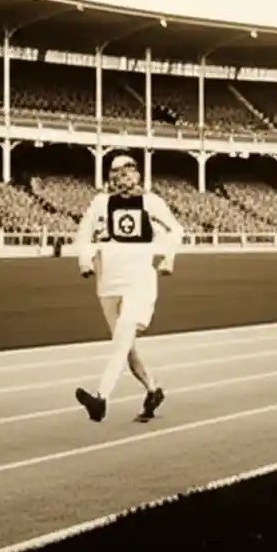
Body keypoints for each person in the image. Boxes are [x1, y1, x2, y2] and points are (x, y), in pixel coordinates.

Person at [72, 152, 184, 423]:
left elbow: (176, 230)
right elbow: (84, 233)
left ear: (137, 173)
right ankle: (153, 389)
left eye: (127, 170)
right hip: (108, 281)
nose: (121, 176)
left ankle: (100, 397)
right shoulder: (101, 202)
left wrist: (168, 257)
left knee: (122, 339)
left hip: (139, 281)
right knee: (126, 347)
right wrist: (85, 260)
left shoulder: (150, 201)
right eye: (115, 171)